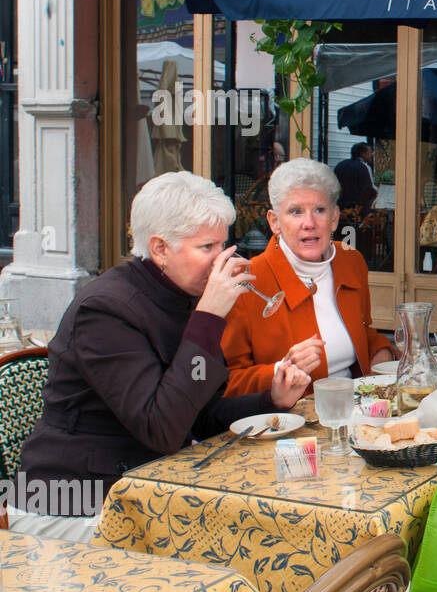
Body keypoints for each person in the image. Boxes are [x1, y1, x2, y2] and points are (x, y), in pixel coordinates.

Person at [14, 172, 312, 542]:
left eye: (223, 245)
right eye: (207, 248)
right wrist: (208, 319)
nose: (221, 261)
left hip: (146, 486)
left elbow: (196, 415)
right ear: (159, 249)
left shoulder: (181, 296)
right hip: (74, 501)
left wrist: (271, 400)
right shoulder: (105, 311)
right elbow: (163, 429)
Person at [222, 158, 395, 395]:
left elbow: (362, 332)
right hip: (287, 423)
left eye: (319, 210)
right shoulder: (245, 281)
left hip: (354, 409)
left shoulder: (351, 261)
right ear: (275, 222)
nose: (309, 223)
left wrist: (381, 353)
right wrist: (279, 371)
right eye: (295, 211)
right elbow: (229, 384)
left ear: (334, 218)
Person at [336, 142, 378, 212]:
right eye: (370, 152)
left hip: (341, 207)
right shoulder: (364, 167)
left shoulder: (340, 165)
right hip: (358, 208)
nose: (372, 155)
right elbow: (370, 189)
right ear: (363, 154)